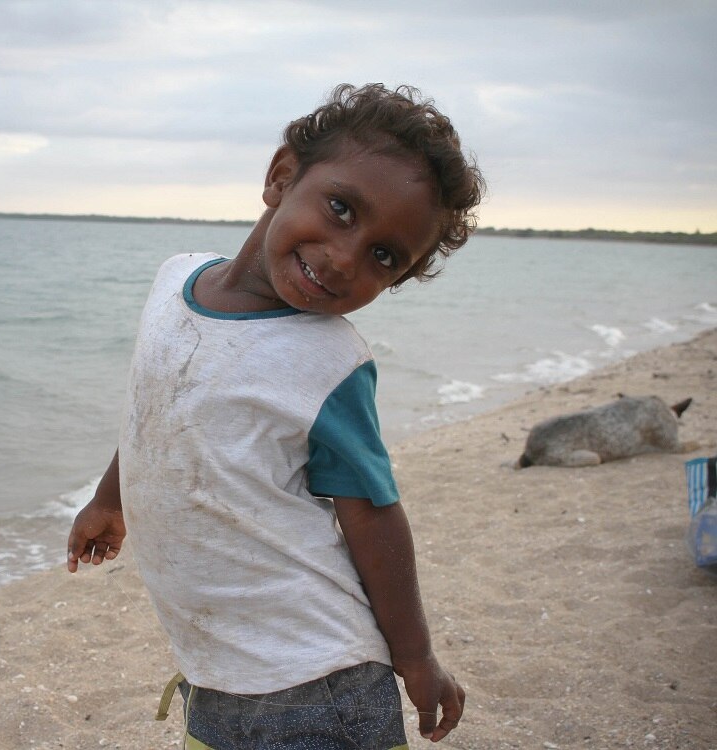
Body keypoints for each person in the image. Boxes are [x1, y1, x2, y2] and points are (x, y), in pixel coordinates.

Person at [66, 83, 484, 749]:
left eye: (383, 256)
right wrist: (108, 499)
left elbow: (373, 516)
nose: (345, 258)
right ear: (281, 176)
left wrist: (417, 660)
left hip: (318, 688)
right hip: (214, 678)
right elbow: (157, 404)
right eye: (342, 209)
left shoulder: (328, 362)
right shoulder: (174, 282)